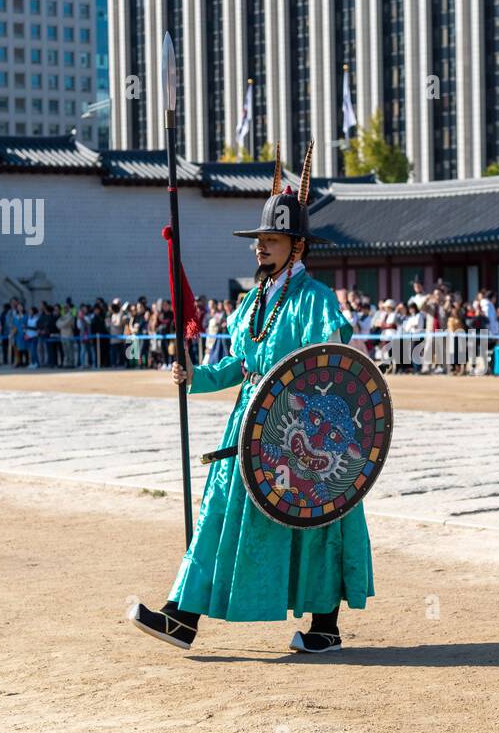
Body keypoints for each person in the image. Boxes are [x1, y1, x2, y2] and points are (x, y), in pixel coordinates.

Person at [131, 141, 374, 654]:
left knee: (318, 523)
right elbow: (238, 365)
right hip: (251, 425)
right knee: (219, 511)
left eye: (271, 238)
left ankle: (324, 625)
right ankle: (183, 617)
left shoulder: (317, 300)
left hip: (307, 432)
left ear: (297, 246)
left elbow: (330, 361)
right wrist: (195, 375)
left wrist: (303, 413)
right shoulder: (251, 301)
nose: (259, 246)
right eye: (258, 238)